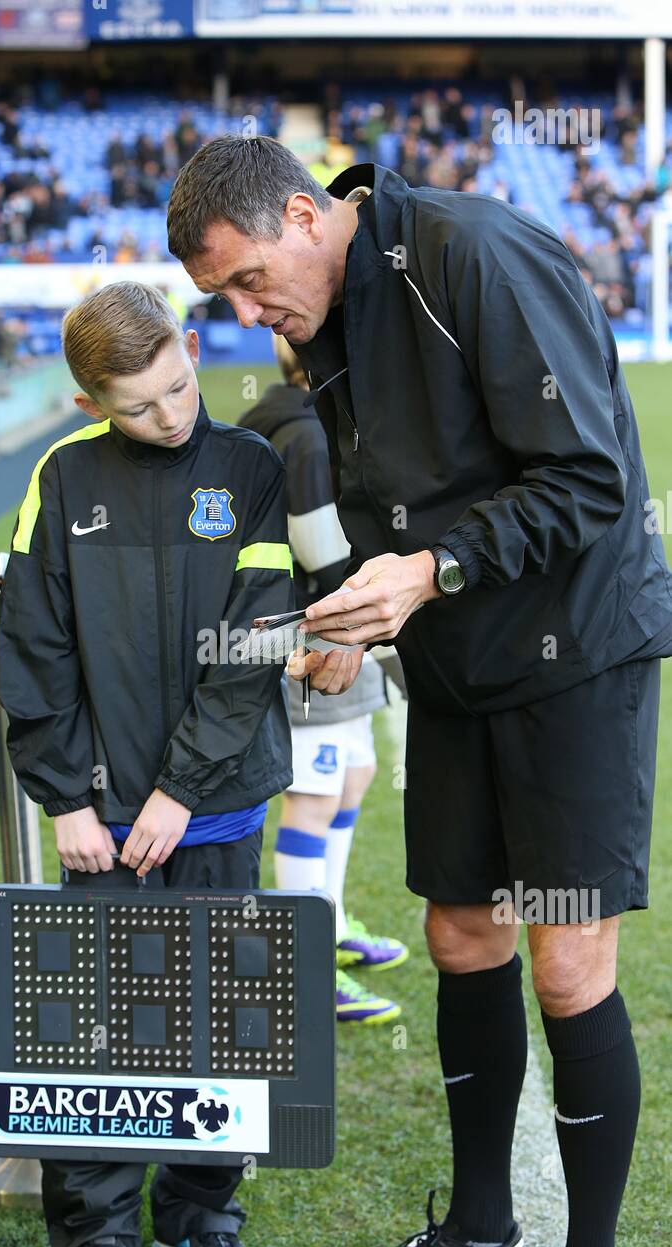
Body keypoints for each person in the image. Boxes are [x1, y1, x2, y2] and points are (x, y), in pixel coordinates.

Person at [166, 135, 672, 1247]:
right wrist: (338, 607)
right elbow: (378, 495)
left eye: (246, 281)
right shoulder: (322, 315)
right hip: (450, 656)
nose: (246, 314)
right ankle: (481, 1229)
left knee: (565, 958)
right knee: (459, 937)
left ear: (303, 215)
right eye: (221, 299)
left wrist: (429, 571)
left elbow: (590, 477)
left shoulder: (471, 255)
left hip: (572, 652)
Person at [0, 280, 294, 1247]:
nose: (170, 414)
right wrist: (69, 799)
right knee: (106, 1019)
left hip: (212, 806)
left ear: (192, 348)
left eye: (178, 385)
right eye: (139, 404)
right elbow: (33, 651)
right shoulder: (62, 479)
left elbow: (257, 644)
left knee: (218, 1009)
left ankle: (202, 1208)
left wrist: (180, 788)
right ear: (90, 406)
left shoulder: (251, 469)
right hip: (102, 819)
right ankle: (97, 1230)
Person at [238, 331, 408, 1025]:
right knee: (313, 792)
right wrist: (373, 619)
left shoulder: (299, 416)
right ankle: (306, 968)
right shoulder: (304, 431)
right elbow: (318, 547)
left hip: (336, 625)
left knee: (353, 772)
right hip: (312, 633)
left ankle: (329, 926)